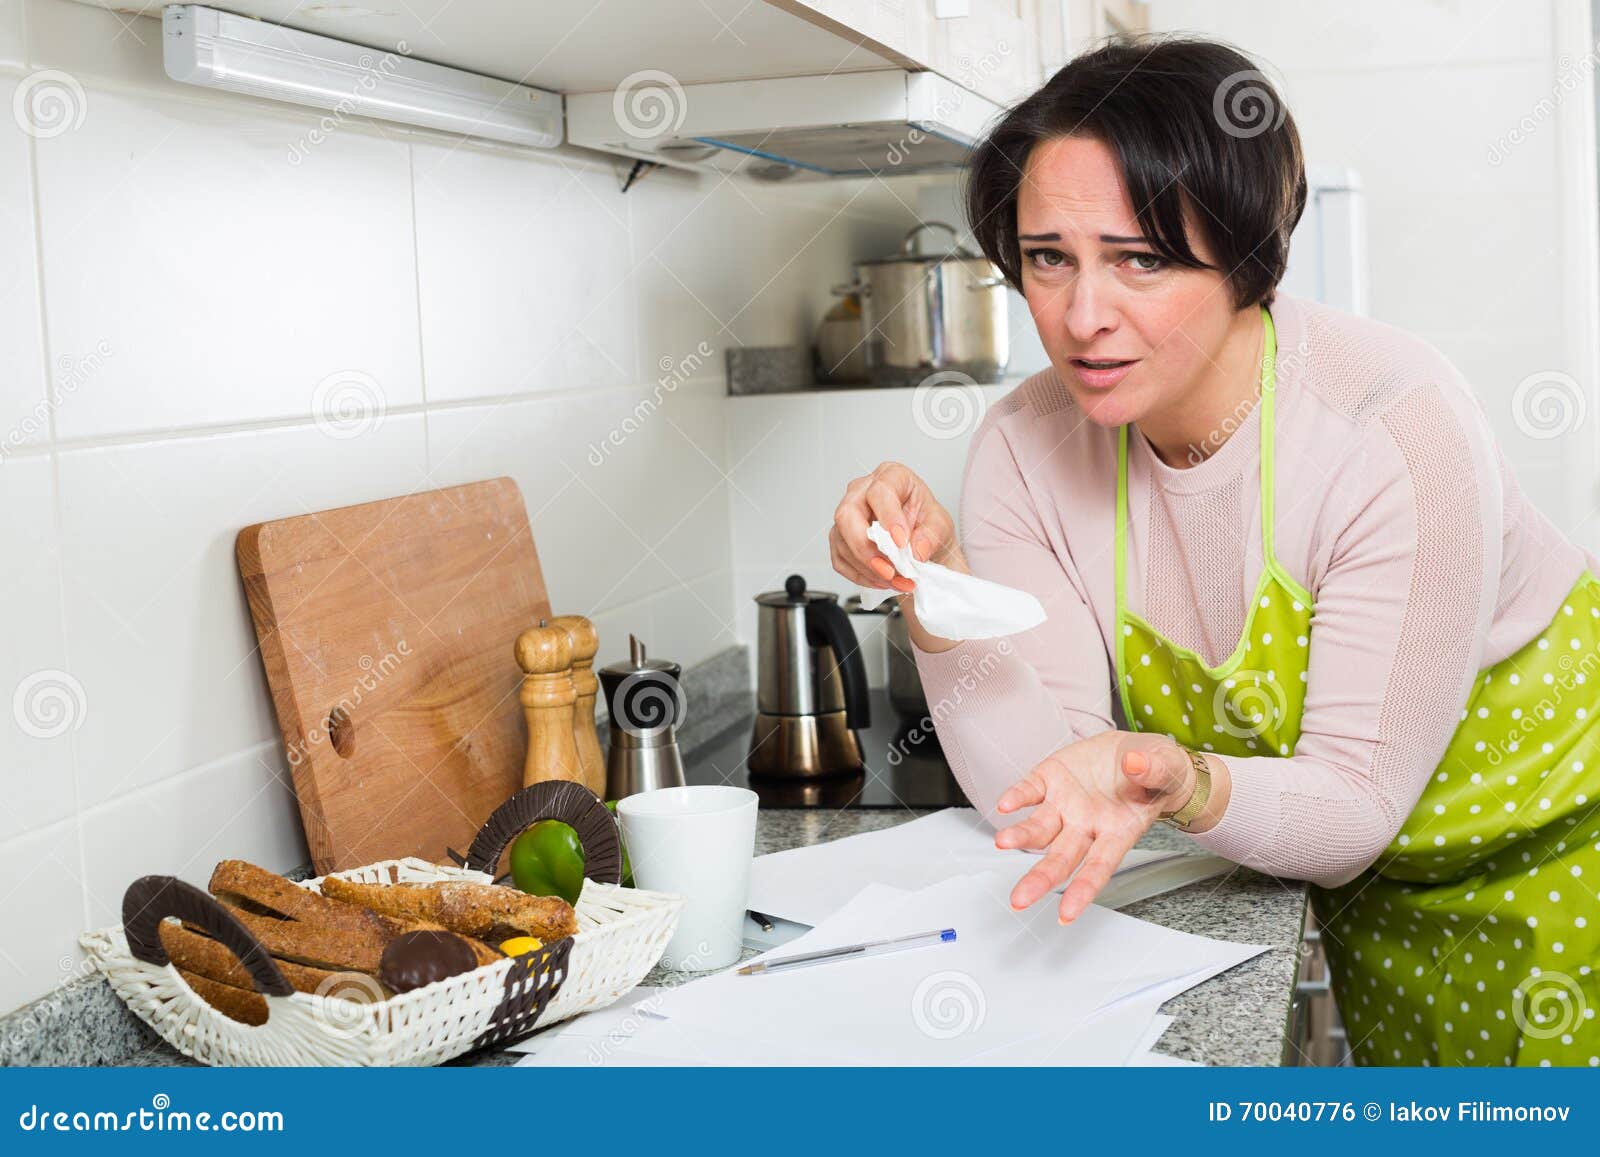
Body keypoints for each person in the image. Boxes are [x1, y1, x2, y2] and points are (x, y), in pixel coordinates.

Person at [830, 35, 1600, 1067]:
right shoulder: (1023, 444)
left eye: (1139, 258)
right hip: (1342, 882)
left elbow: (1354, 799)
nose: (1080, 316)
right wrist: (933, 588)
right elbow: (1034, 780)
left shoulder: (1390, 428)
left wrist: (1179, 779)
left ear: (1242, 255)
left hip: (1553, 858)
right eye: (1048, 257)